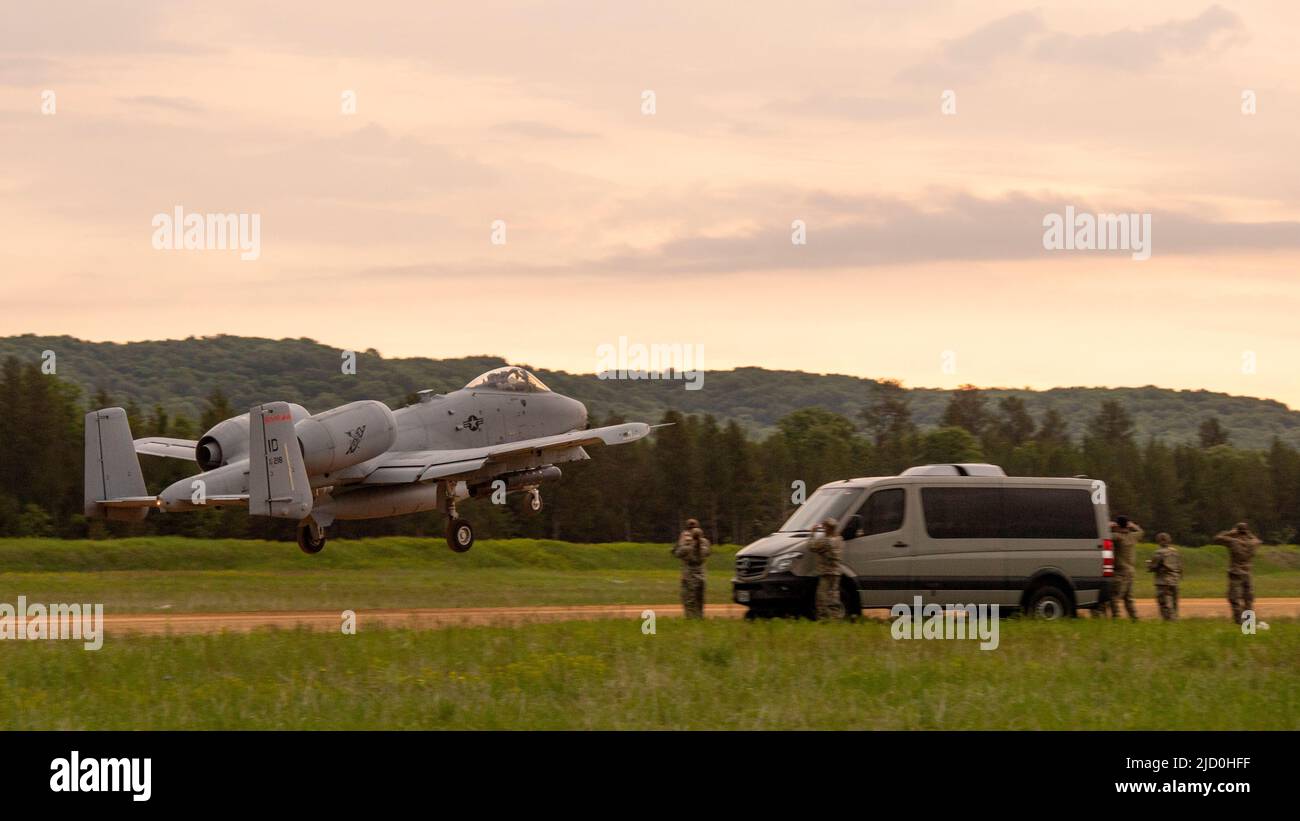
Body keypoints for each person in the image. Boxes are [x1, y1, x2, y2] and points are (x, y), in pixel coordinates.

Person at [1215, 521, 1261, 624]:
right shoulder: (1252, 543)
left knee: (1234, 598)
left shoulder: (1233, 541)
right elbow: (1258, 541)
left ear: (1237, 531)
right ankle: (1249, 623)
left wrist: (1231, 532)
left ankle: (1238, 620)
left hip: (1236, 573)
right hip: (1247, 573)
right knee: (1248, 599)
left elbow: (1217, 538)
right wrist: (1249, 534)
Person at [671, 518, 711, 619]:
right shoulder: (705, 543)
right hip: (701, 573)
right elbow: (707, 553)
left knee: (689, 598)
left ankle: (690, 618)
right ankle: (699, 617)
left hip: (689, 574)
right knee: (700, 598)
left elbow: (677, 553)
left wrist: (682, 542)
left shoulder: (686, 545)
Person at [808, 518, 845, 621]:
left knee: (822, 597)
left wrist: (812, 533)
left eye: (825, 527)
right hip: (836, 572)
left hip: (826, 572)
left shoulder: (825, 541)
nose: (823, 529)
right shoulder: (839, 539)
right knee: (834, 597)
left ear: (828, 528)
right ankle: (836, 617)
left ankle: (823, 618)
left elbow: (811, 547)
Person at [1106, 515, 1143, 621]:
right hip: (1131, 571)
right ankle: (1134, 618)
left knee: (1114, 596)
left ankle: (1116, 617)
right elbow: (1141, 532)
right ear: (1127, 525)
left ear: (1117, 525)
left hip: (1120, 572)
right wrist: (1133, 525)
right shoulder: (1133, 536)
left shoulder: (1117, 537)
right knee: (1128, 597)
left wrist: (1108, 525)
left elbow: (1104, 536)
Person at [1146, 532, 1182, 621]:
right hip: (1174, 580)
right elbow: (1180, 566)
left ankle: (1168, 621)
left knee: (1164, 603)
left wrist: (1149, 565)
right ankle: (1175, 619)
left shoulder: (1159, 553)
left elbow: (1153, 567)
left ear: (1159, 541)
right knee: (1174, 603)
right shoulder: (1175, 552)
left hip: (1163, 581)